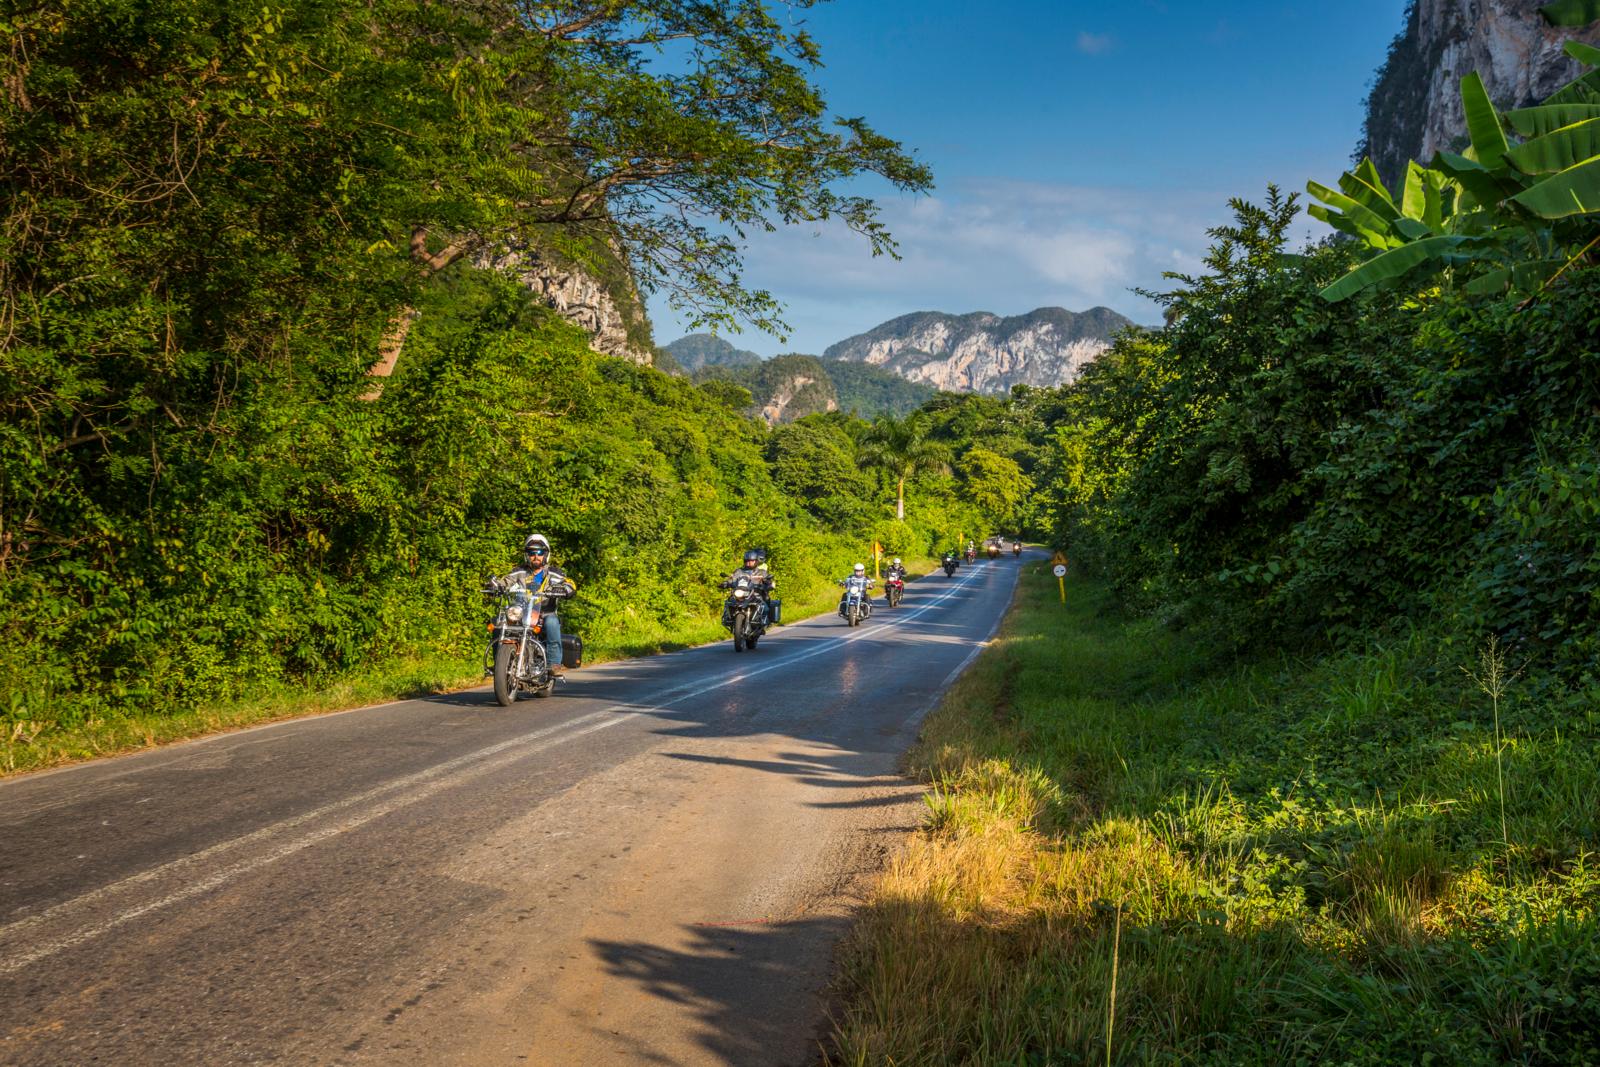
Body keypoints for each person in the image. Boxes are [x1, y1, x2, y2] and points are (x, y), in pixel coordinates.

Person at [518, 533, 576, 675]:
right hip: (521, 613)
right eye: (532, 553)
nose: (536, 556)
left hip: (545, 613)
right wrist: (495, 585)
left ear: (546, 554)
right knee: (498, 625)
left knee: (552, 623)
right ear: (527, 555)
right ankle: (499, 665)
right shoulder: (518, 572)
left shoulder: (554, 573)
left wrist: (567, 588)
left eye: (539, 552)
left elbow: (569, 583)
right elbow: (504, 581)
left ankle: (554, 663)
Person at [720, 548, 775, 624]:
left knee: (765, 603)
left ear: (756, 561)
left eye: (752, 561)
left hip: (755, 593)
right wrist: (726, 583)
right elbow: (733, 579)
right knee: (729, 601)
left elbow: (767, 579)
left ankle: (765, 620)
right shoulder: (739, 571)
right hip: (741, 592)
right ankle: (727, 618)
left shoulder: (761, 572)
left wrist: (767, 582)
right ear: (744, 561)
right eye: (747, 561)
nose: (749, 563)